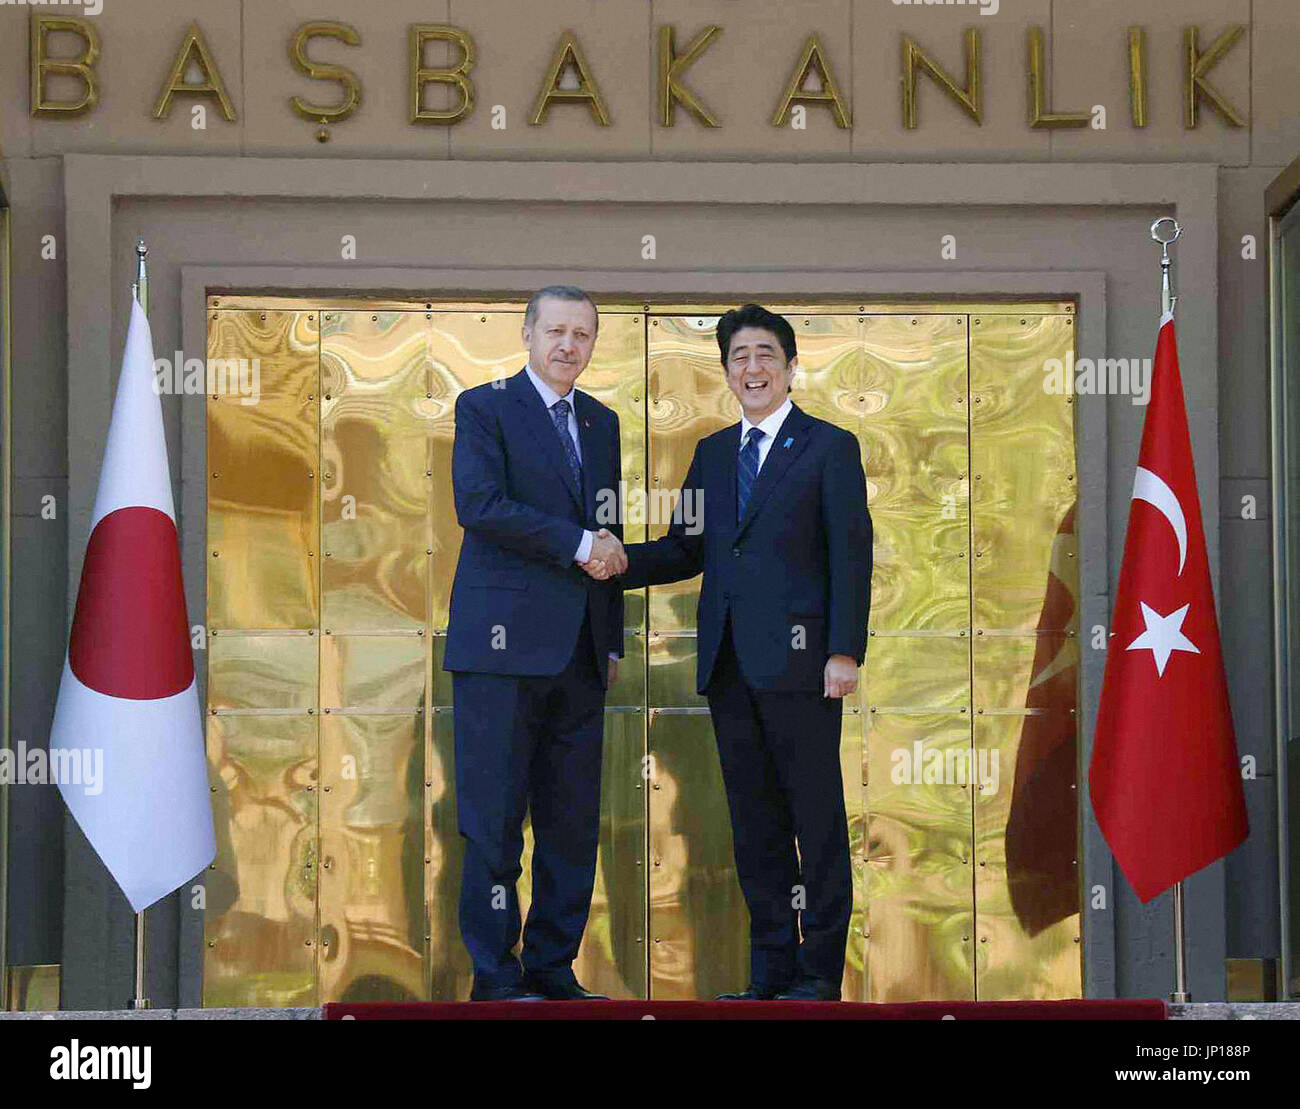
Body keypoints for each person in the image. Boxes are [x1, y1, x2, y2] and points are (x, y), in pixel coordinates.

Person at [587, 303, 871, 1001]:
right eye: (740, 357)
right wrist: (615, 558)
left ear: (791, 365)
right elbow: (688, 547)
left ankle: (818, 976)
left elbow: (851, 555)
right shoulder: (714, 454)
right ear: (726, 371)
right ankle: (772, 973)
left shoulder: (830, 448)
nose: (753, 368)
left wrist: (843, 651)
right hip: (730, 667)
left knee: (817, 823)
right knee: (757, 828)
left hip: (805, 667)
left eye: (766, 354)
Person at [445, 285, 626, 1001]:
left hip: (581, 655)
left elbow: (606, 533)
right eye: (555, 330)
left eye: (582, 334)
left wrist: (610, 639)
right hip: (499, 654)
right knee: (493, 825)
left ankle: (552, 967)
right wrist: (577, 542)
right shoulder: (483, 407)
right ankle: (496, 976)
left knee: (571, 825)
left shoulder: (603, 422)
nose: (568, 345)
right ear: (526, 333)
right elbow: (479, 505)